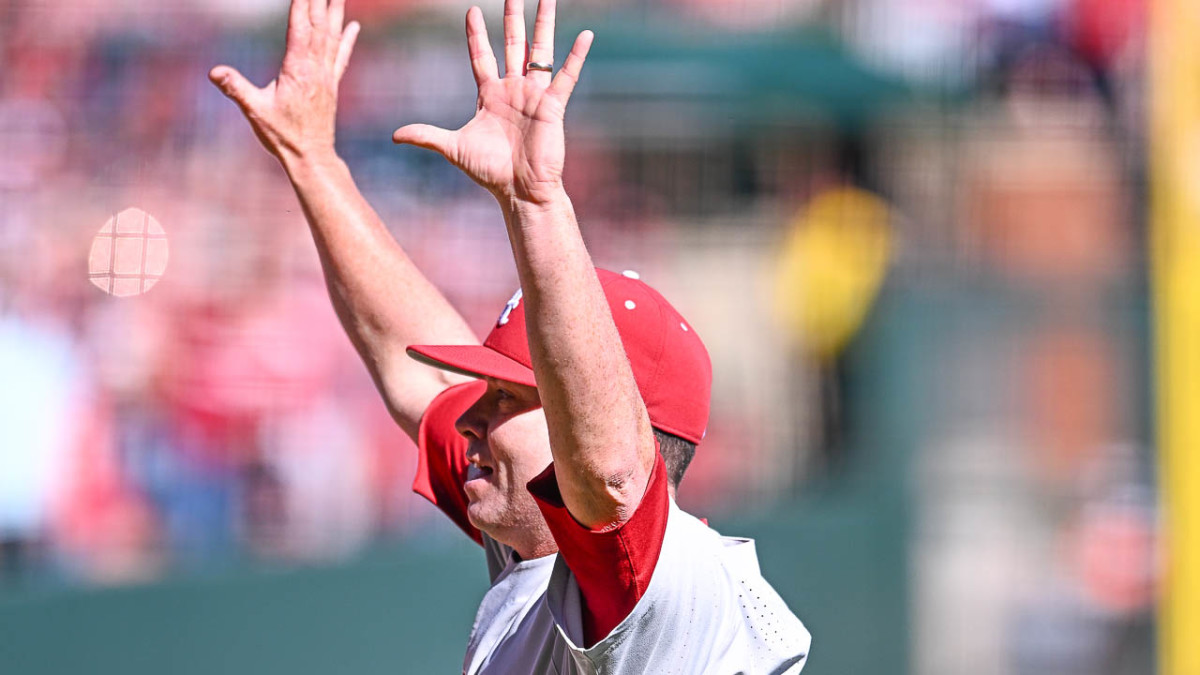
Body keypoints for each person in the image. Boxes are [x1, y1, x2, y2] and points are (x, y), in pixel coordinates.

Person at [208, 0, 811, 671]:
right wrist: (310, 157)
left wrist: (536, 203)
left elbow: (611, 475)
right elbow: (423, 374)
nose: (473, 415)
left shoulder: (668, 594)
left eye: (509, 396)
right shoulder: (539, 540)